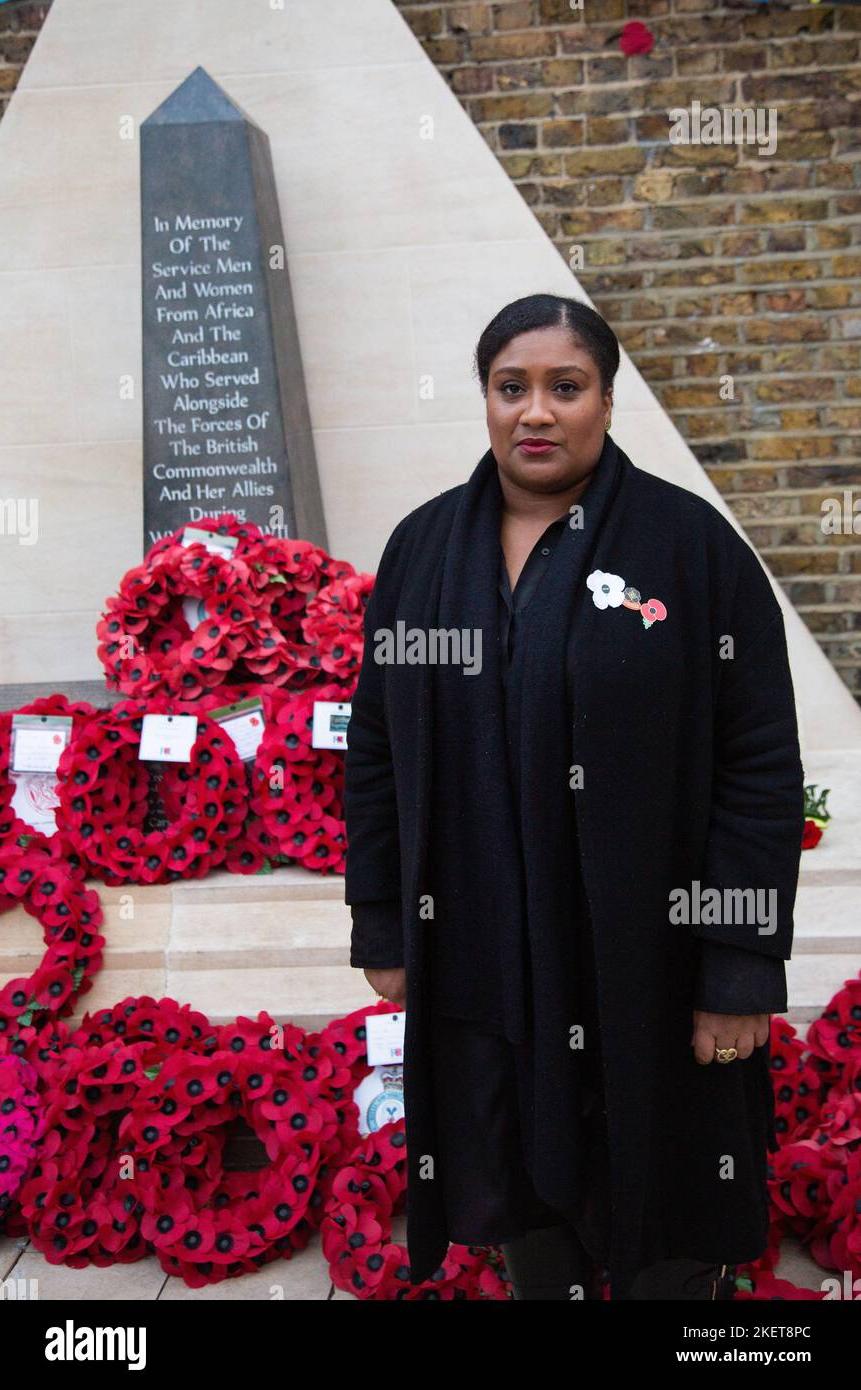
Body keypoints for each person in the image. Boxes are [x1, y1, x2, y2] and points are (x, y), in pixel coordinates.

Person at [343, 294, 805, 1300]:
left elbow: (757, 760)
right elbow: (374, 743)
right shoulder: (421, 555)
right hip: (482, 955)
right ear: (486, 401)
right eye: (512, 388)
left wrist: (734, 962)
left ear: (604, 397)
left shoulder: (691, 551)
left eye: (564, 386)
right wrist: (382, 915)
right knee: (516, 1188)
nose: (535, 412)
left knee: (666, 1209)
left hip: (649, 953)